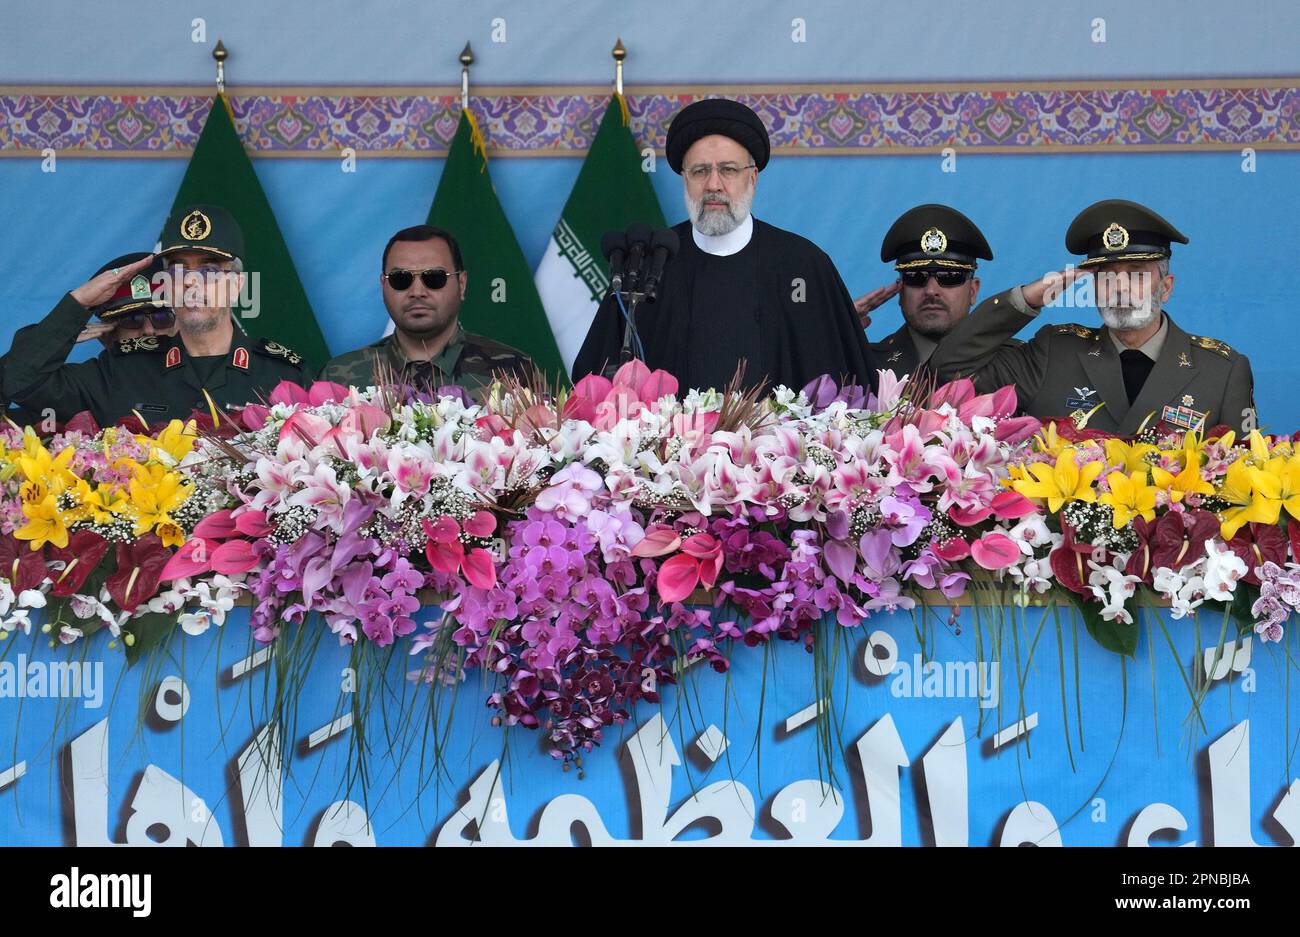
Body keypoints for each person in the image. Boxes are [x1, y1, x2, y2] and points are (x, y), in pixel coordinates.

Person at [571, 98, 879, 394]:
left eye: (729, 170)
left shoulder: (803, 264)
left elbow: (845, 393)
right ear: (684, 178)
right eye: (700, 171)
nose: (714, 185)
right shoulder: (648, 266)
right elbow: (597, 386)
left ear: (753, 177)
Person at [928, 199, 1257, 436]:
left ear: (1166, 288)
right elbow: (949, 368)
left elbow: (1246, 475)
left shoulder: (1222, 370)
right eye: (1106, 276)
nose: (1120, 288)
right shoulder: (1053, 352)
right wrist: (1028, 298)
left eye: (1137, 275)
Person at [3, 204, 309, 427]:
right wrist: (79, 302)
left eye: (209, 269)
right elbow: (17, 381)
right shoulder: (120, 371)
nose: (191, 281)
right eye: (178, 269)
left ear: (237, 285)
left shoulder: (284, 376)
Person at [318, 224, 536, 392]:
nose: (417, 291)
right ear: (383, 285)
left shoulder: (513, 372)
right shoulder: (340, 378)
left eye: (434, 278)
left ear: (461, 284)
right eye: (400, 279)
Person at [857, 204, 1020, 376]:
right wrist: (835, 330)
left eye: (950, 276)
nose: (931, 290)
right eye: (916, 276)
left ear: (973, 291)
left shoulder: (1014, 366)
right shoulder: (863, 365)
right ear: (900, 290)